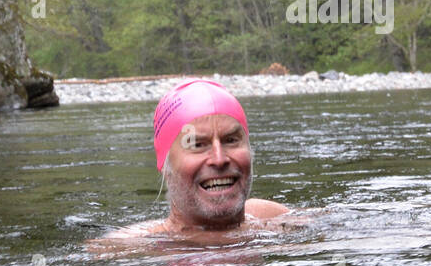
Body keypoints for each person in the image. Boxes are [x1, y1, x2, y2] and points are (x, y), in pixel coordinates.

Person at [88, 79, 295, 249]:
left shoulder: (280, 220)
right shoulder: (125, 248)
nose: (219, 158)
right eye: (197, 144)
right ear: (165, 165)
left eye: (231, 140)